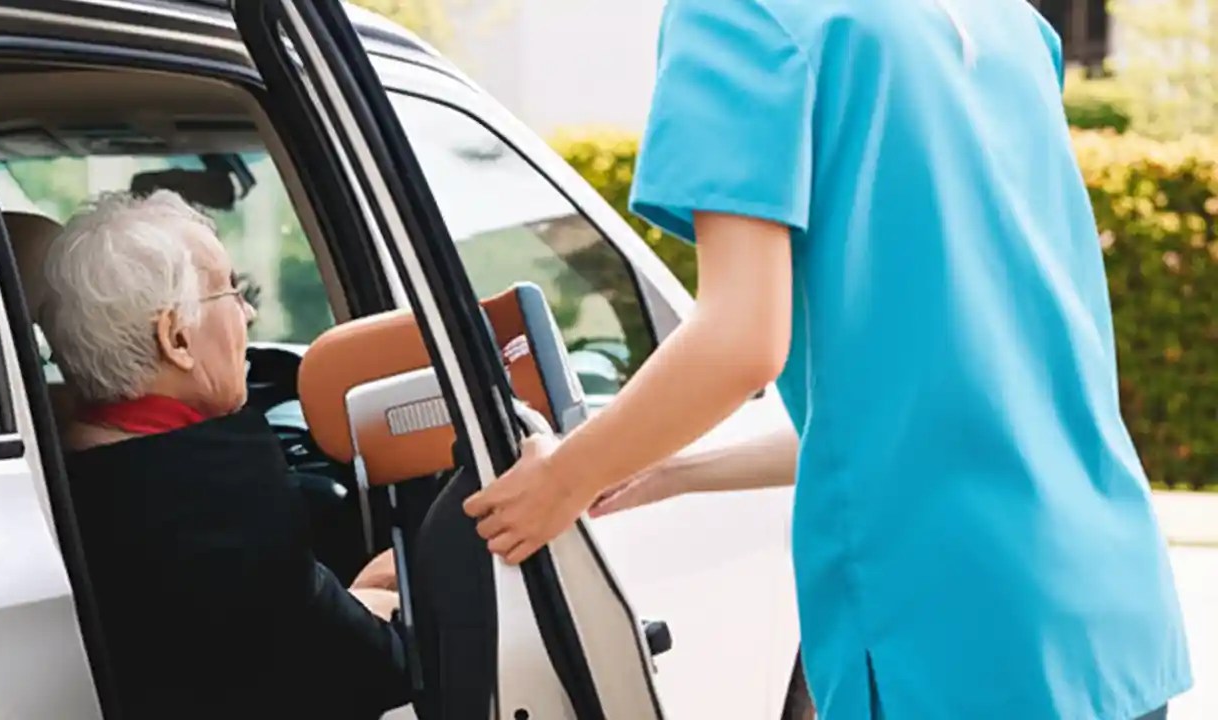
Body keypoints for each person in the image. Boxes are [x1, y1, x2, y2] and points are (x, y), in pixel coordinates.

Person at [463, 1, 1191, 718]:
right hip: (1110, 613)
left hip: (948, 629)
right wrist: (666, 467)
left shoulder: (740, 16)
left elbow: (740, 344)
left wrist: (562, 480)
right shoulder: (1009, 25)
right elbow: (930, 401)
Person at [40, 190, 409, 719]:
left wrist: (348, 598)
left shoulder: (69, 465)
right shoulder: (209, 502)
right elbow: (368, 674)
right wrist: (401, 593)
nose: (249, 312)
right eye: (232, 291)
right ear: (176, 338)